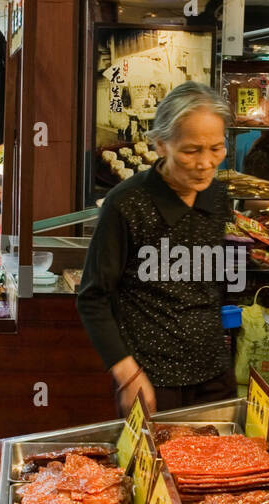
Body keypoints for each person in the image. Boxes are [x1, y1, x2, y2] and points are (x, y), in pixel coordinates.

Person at [78, 81, 237, 415]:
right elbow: (93, 296)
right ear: (161, 144)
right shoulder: (128, 203)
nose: (206, 163)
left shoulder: (217, 196)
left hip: (213, 374)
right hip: (150, 379)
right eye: (192, 150)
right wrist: (126, 373)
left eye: (216, 149)